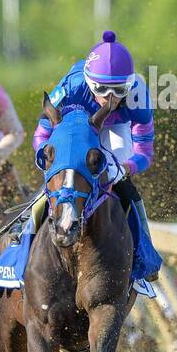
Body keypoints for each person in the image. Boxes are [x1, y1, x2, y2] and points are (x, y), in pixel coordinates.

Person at [33, 31, 161, 291]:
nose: (109, 99)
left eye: (118, 91)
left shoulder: (139, 96)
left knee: (121, 183)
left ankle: (144, 253)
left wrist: (125, 168)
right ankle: (23, 236)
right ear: (89, 82)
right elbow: (42, 133)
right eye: (101, 89)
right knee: (61, 182)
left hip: (116, 130)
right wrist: (52, 164)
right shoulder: (72, 85)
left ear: (130, 85)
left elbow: (145, 151)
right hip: (76, 128)